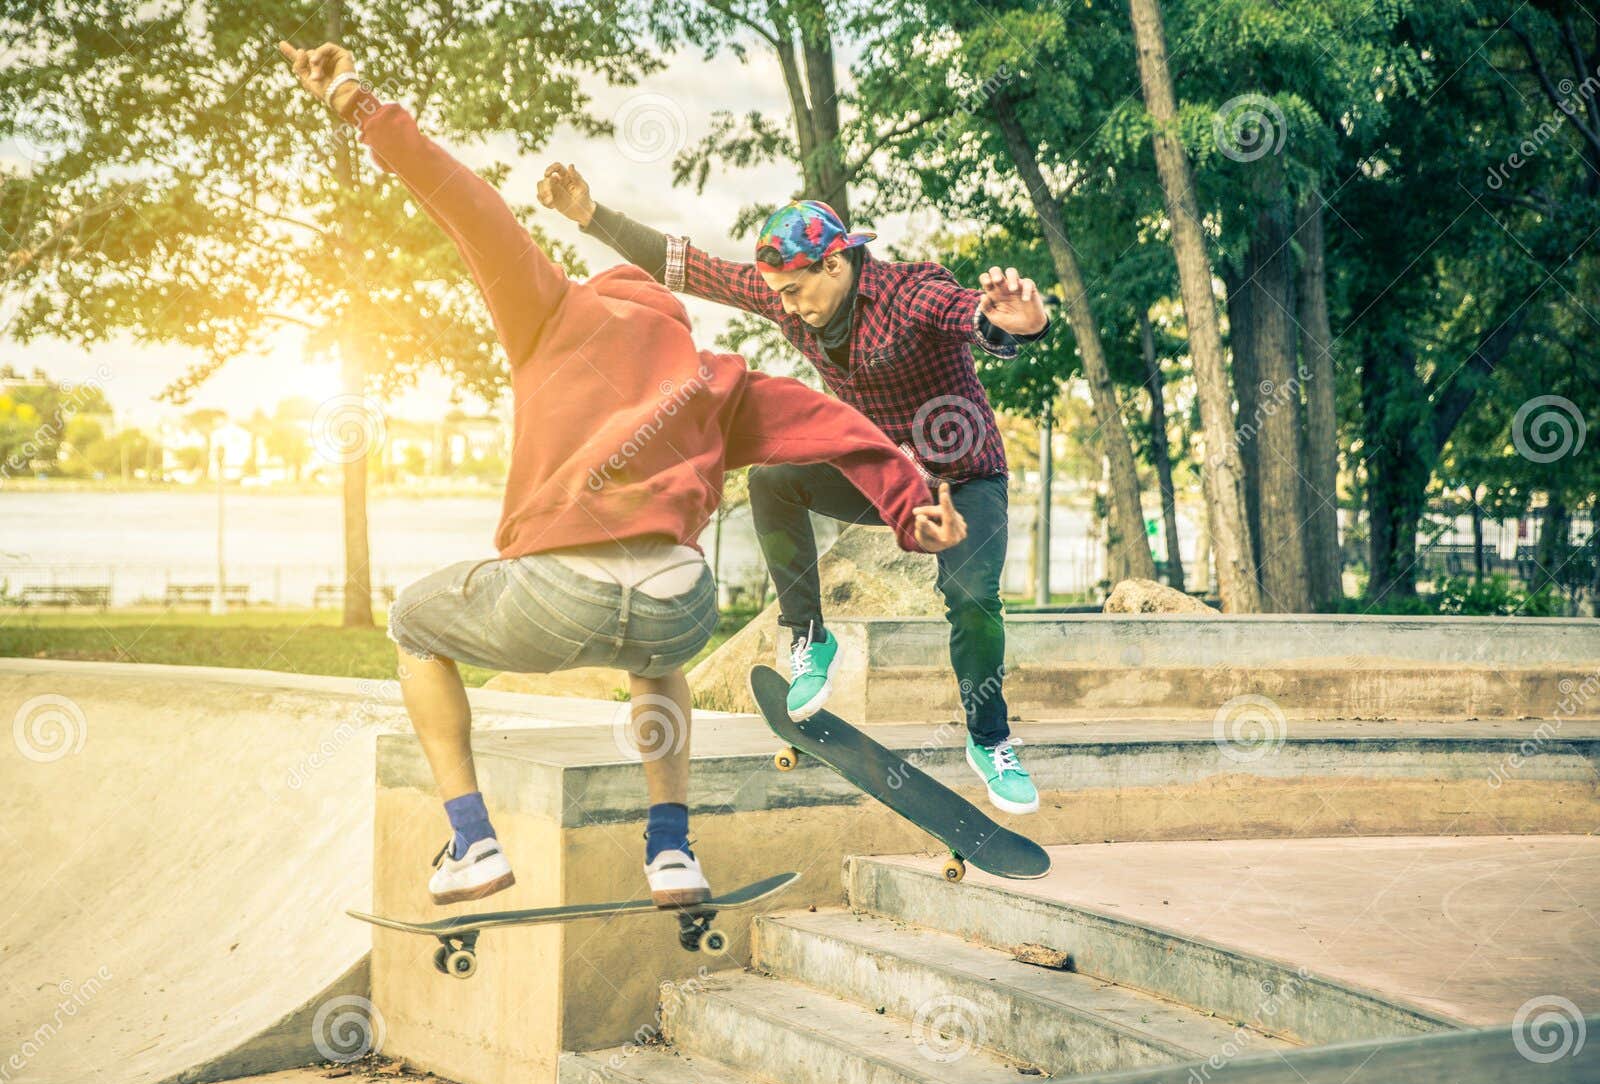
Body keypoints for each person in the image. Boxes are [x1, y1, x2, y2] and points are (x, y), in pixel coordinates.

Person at [277, 41, 968, 908]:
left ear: (597, 291)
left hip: (558, 593)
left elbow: (462, 199)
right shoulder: (713, 375)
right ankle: (672, 850)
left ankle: (472, 840)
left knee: (415, 623)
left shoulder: (550, 308)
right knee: (658, 658)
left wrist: (354, 98)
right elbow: (834, 425)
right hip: (682, 602)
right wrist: (912, 510)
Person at [537, 169, 1052, 814]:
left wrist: (1021, 324)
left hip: (965, 479)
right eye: (776, 295)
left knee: (971, 596)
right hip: (880, 472)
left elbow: (963, 312)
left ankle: (990, 739)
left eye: (793, 292)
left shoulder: (907, 292)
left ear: (834, 264)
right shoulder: (789, 290)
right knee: (774, 478)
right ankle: (808, 636)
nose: (785, 307)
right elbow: (687, 268)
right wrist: (591, 215)